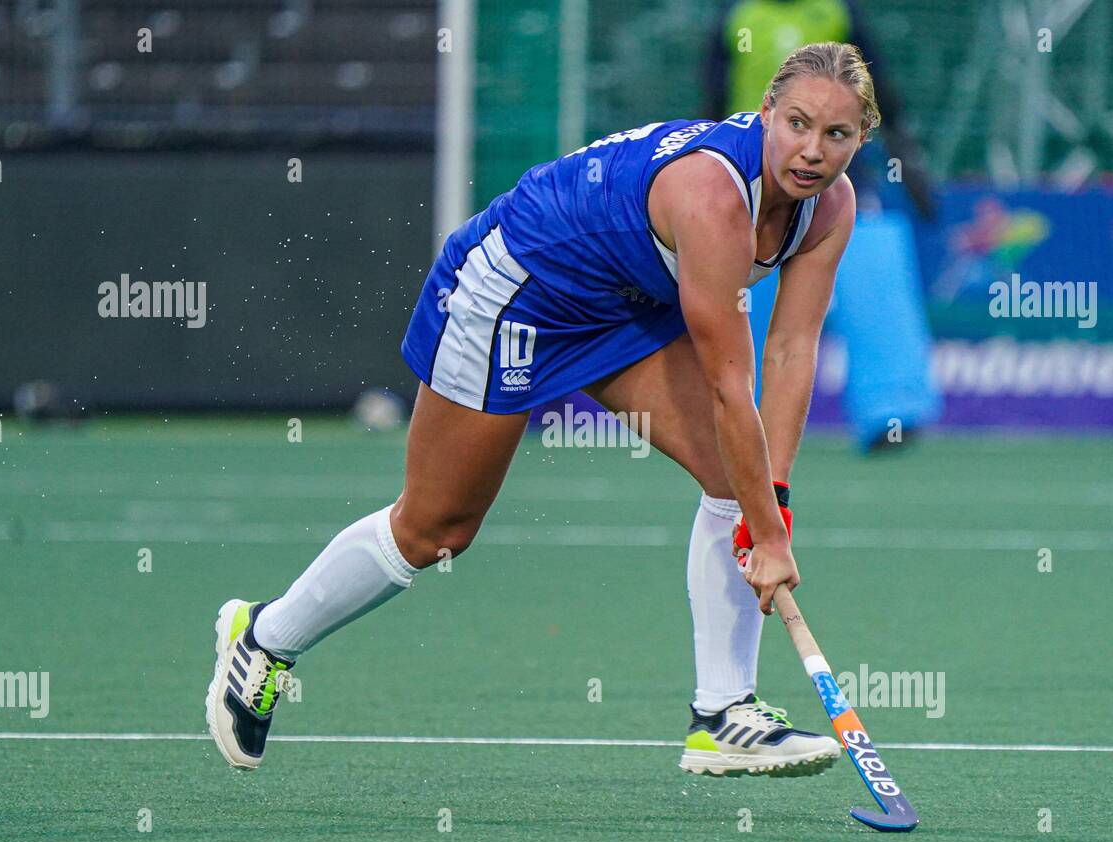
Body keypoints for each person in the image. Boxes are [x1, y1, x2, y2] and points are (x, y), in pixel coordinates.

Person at [207, 42, 875, 779]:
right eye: (798, 125)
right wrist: (770, 535)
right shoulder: (715, 198)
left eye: (836, 135)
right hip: (519, 287)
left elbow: (791, 352)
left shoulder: (828, 209)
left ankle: (724, 715)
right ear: (765, 115)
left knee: (734, 482)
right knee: (437, 530)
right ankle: (266, 638)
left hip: (624, 305)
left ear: (860, 141)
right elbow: (730, 384)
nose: (812, 151)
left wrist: (769, 504)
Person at [706, 0, 942, 451]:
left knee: (872, 268)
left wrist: (909, 165)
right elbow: (712, 101)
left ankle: (892, 410)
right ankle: (737, 412)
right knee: (745, 296)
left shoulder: (839, 11)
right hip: (751, 177)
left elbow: (881, 96)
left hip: (837, 175)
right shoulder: (735, 16)